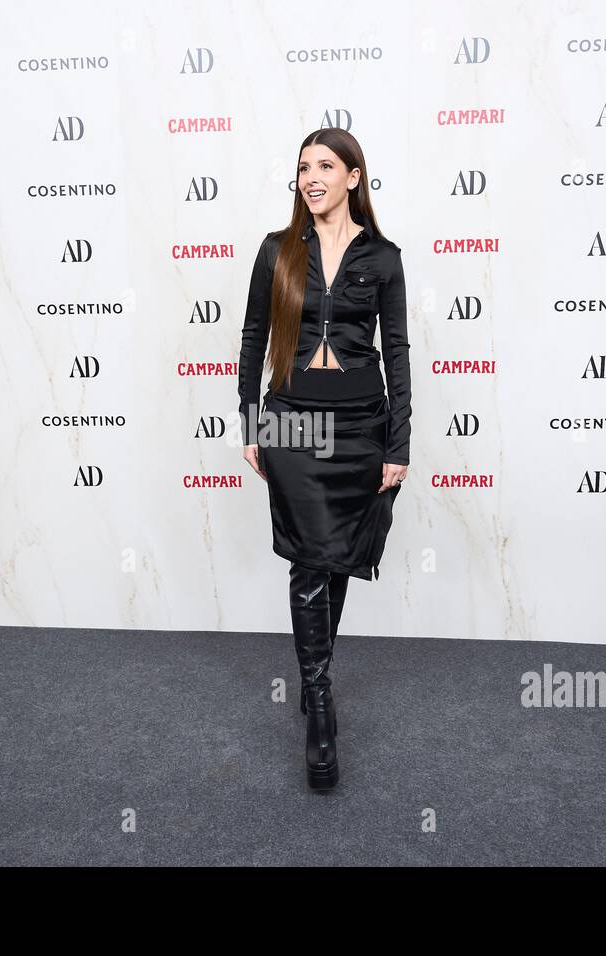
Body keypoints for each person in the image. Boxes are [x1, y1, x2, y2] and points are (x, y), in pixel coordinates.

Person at [237, 128, 412, 790]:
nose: (311, 177)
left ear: (354, 177)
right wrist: (251, 420)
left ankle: (314, 682)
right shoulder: (276, 251)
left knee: (337, 557)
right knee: (312, 558)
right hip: (293, 423)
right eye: (302, 168)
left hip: (362, 427)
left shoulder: (384, 258)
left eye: (324, 166)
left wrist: (398, 445)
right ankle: (320, 708)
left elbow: (395, 352)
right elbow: (255, 333)